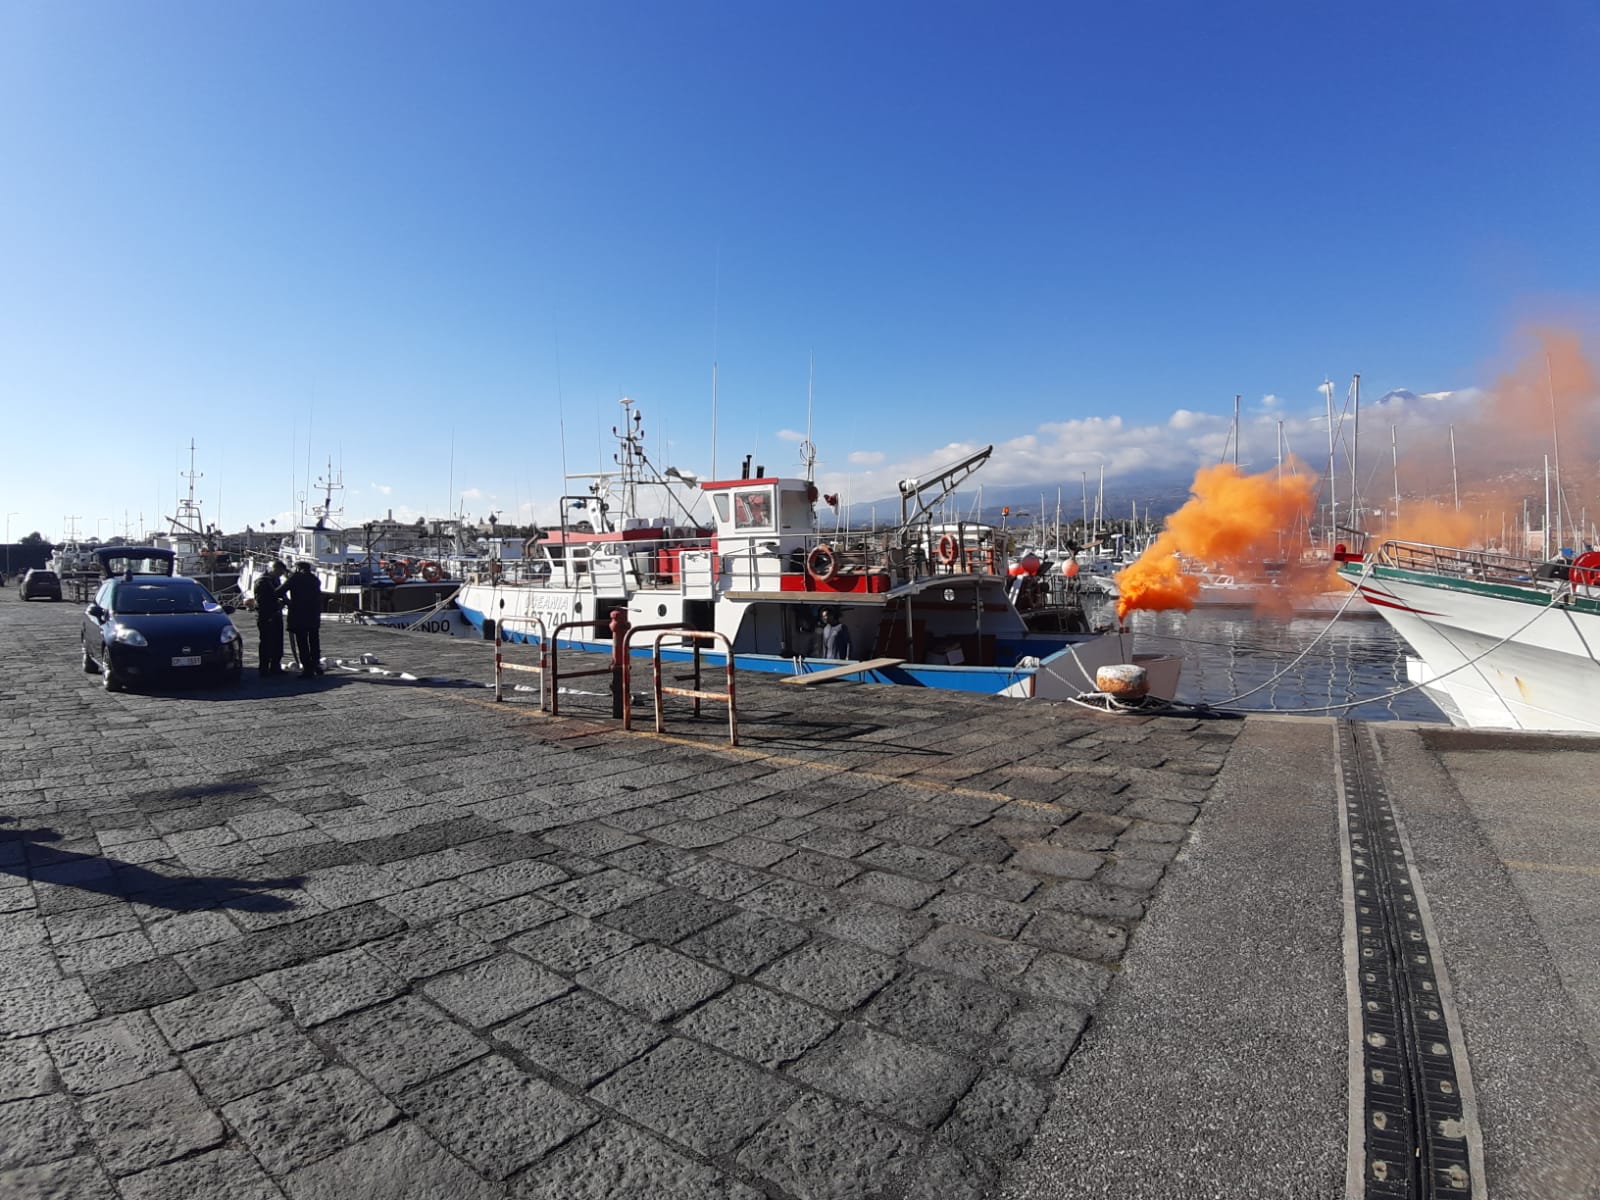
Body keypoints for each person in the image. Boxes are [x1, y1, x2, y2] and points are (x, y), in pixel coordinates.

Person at [280, 561, 324, 678]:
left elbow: (280, 591)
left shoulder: (295, 578)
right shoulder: (315, 579)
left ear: (298, 568)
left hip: (299, 614)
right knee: (314, 640)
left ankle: (307, 669)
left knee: (302, 642)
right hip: (313, 614)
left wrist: (286, 601)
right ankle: (316, 664)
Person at [253, 561, 288, 676]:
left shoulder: (275, 580)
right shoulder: (262, 582)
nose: (280, 575)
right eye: (279, 572)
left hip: (276, 614)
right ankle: (264, 667)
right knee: (267, 642)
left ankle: (275, 665)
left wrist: (285, 602)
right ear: (274, 569)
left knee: (277, 641)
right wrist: (277, 604)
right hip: (266, 615)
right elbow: (262, 601)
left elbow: (281, 594)